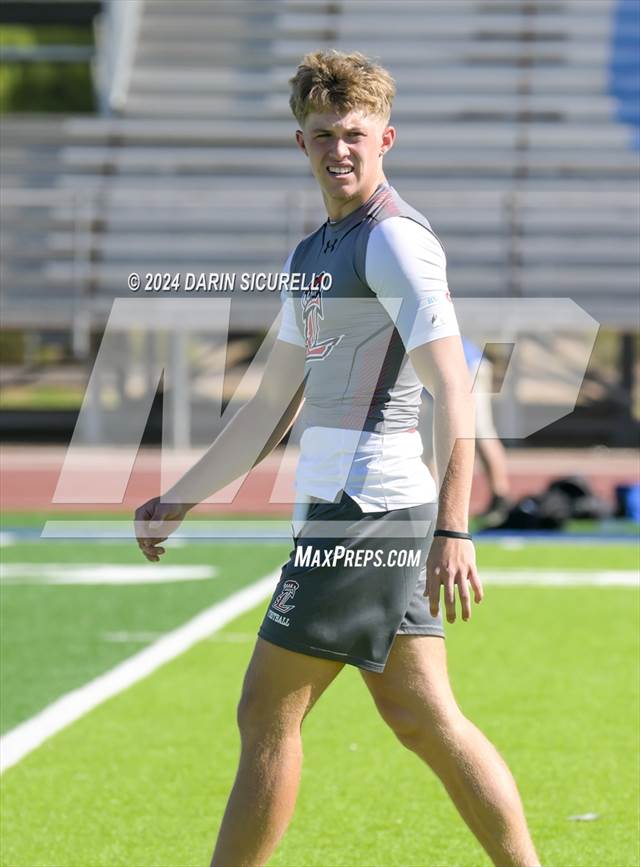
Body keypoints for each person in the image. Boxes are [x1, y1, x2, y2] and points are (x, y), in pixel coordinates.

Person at [135, 50, 540, 867]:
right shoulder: (312, 252)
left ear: (385, 137)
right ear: (301, 143)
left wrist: (454, 528)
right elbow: (270, 402)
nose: (339, 149)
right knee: (424, 716)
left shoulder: (394, 240)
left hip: (367, 513)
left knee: (265, 713)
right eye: (323, 134)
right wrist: (181, 494)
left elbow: (454, 388)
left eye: (355, 133)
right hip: (353, 511)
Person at [420, 337, 514, 528]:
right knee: (428, 443)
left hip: (465, 366)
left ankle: (500, 499)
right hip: (443, 371)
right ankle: (431, 506)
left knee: (480, 432)